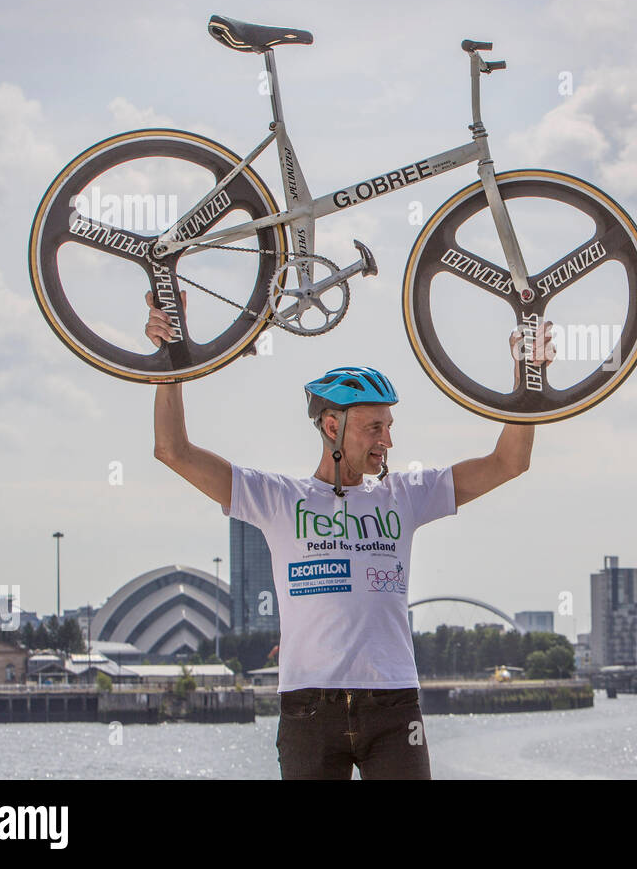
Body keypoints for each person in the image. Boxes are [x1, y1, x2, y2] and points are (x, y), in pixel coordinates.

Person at [144, 290, 554, 779]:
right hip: (307, 709)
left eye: (389, 426)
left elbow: (510, 461)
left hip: (394, 705)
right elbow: (172, 450)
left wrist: (529, 377)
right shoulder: (278, 498)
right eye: (374, 427)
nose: (388, 440)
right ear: (332, 426)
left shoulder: (404, 495)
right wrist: (170, 357)